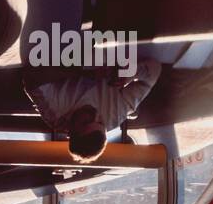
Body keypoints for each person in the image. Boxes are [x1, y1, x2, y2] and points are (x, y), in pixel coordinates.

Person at [23, 58, 161, 163]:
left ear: (71, 131)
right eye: (100, 122)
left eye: (86, 121)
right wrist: (131, 73)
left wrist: (83, 71)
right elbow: (155, 70)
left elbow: (32, 77)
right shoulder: (115, 115)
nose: (95, 114)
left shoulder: (54, 112)